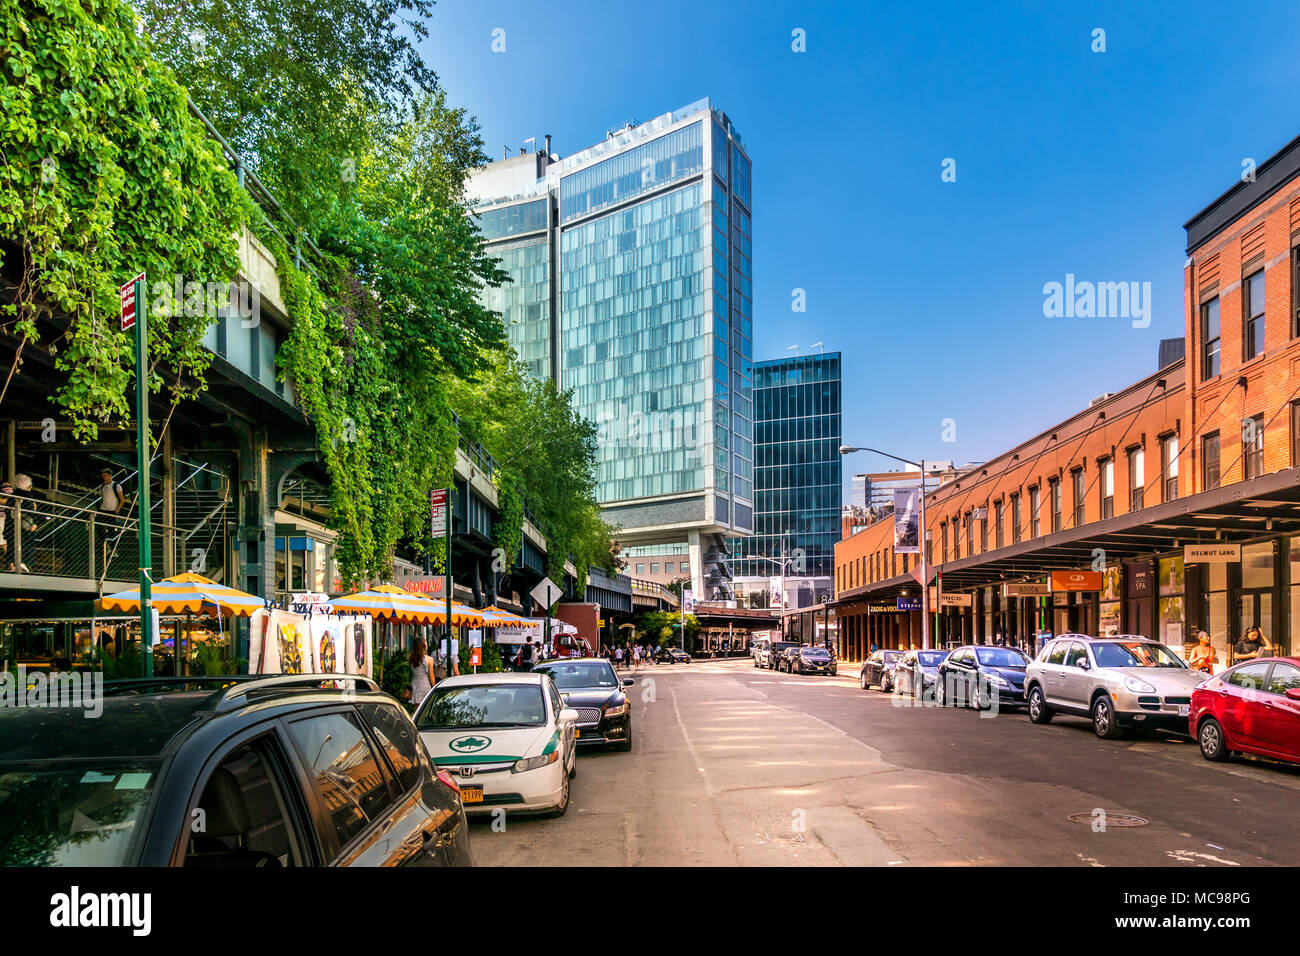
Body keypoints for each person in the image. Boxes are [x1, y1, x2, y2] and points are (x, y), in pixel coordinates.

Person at [408, 637, 434, 707]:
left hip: (415, 686)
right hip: (426, 686)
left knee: (417, 710)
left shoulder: (411, 658)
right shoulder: (429, 659)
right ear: (423, 646)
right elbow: (431, 676)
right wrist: (434, 687)